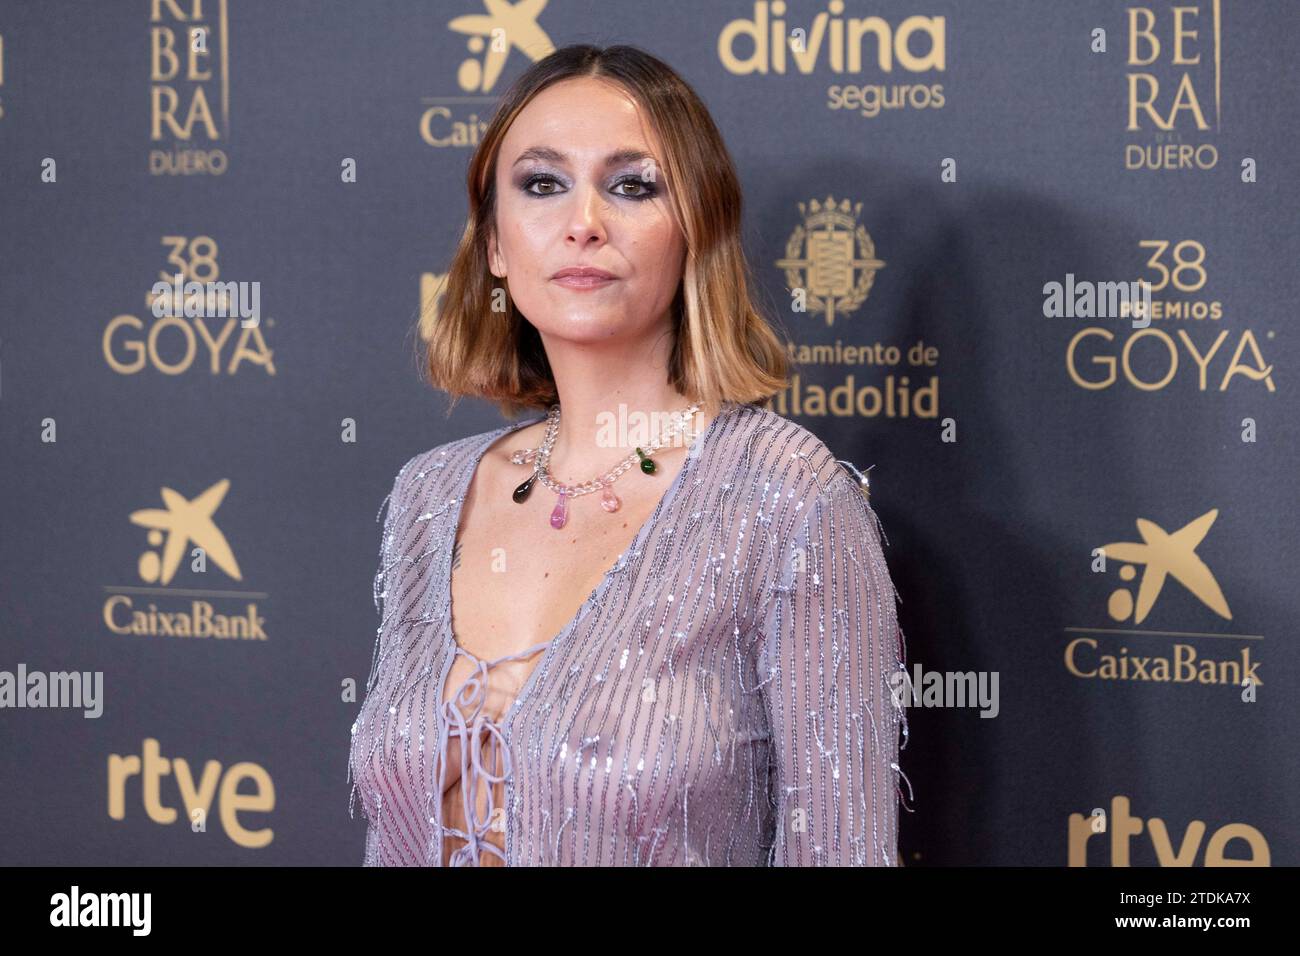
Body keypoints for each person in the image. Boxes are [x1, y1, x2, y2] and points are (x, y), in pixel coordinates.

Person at [347, 44, 908, 866]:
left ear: (696, 231)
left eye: (632, 185)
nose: (582, 222)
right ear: (496, 243)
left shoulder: (786, 499)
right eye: (541, 184)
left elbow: (841, 853)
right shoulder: (430, 497)